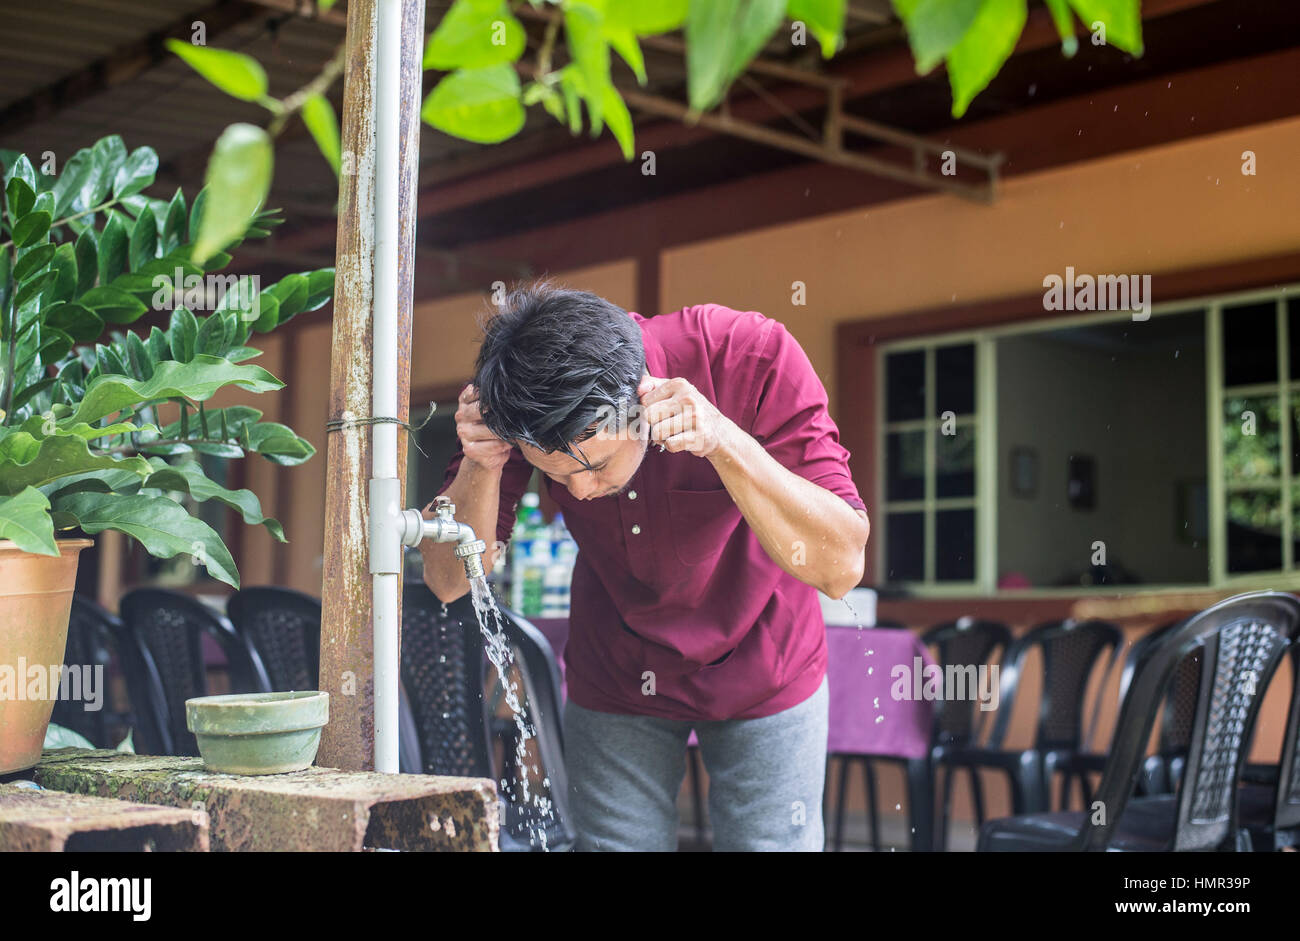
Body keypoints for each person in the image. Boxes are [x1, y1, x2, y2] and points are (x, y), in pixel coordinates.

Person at [423, 280, 869, 851]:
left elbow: (842, 567)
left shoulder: (749, 354)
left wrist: (723, 442)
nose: (579, 493)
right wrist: (481, 465)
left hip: (766, 656)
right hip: (618, 664)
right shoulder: (517, 398)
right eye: (557, 476)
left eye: (599, 464)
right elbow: (448, 581)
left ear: (640, 399)